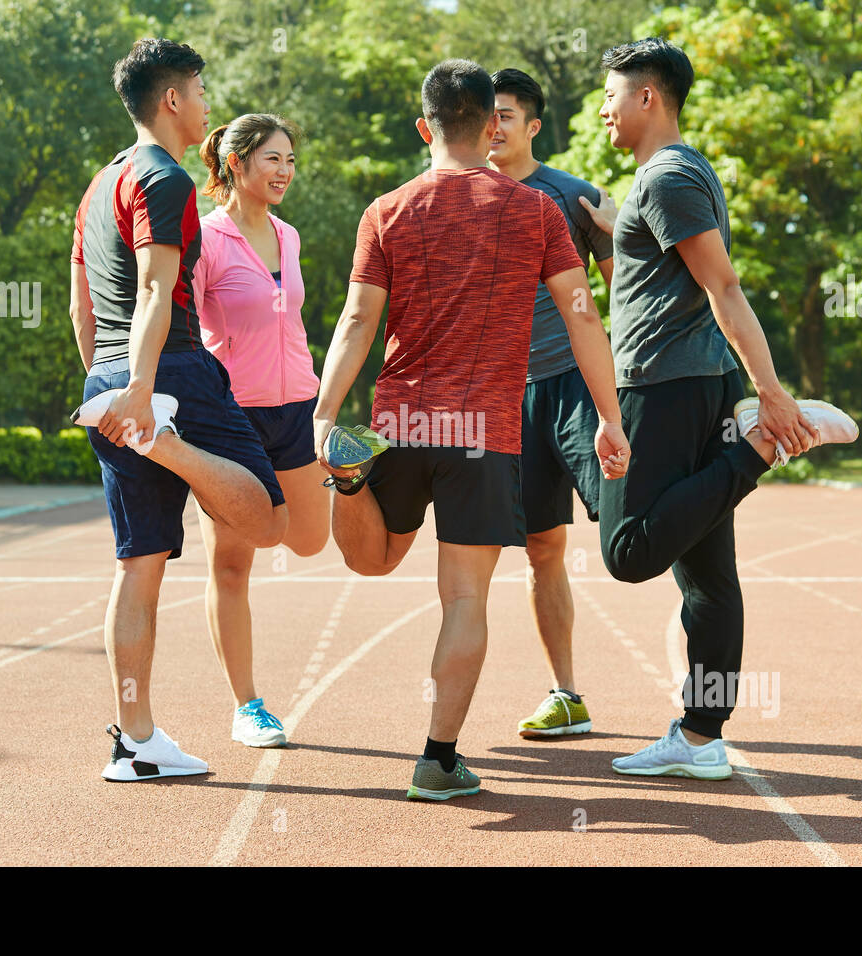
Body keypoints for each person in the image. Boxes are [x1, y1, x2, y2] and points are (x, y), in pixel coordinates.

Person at [311, 59, 630, 801]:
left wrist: (325, 413)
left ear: (424, 128)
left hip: (405, 416)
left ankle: (347, 475)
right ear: (492, 127)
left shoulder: (386, 210)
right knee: (464, 599)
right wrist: (610, 418)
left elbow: (358, 319)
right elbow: (584, 315)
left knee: (372, 561)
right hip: (483, 431)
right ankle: (438, 758)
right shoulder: (534, 211)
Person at [582, 37, 858, 779]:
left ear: (648, 97)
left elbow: (722, 287)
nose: (603, 109)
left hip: (664, 385)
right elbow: (671, 265)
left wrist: (772, 396)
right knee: (707, 581)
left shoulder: (668, 177)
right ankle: (703, 740)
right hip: (690, 383)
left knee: (629, 551)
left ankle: (759, 447)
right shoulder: (669, 176)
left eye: (611, 95)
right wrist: (617, 226)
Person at [68, 38, 288, 781]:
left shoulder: (100, 185)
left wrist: (104, 384)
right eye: (199, 91)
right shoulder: (164, 178)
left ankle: (135, 741)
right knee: (265, 517)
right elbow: (160, 291)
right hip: (170, 373)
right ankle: (165, 444)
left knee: (140, 562)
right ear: (172, 100)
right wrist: (140, 393)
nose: (205, 105)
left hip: (108, 382)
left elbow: (81, 305)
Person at [488, 68, 615, 740]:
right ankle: (567, 693)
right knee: (540, 547)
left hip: (574, 385)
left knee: (638, 518)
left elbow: (627, 290)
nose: (495, 126)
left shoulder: (573, 195)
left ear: (533, 125)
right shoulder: (461, 196)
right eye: (486, 114)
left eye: (507, 115)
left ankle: (699, 696)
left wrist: (621, 236)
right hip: (505, 396)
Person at [191, 114, 325, 748]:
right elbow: (181, 326)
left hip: (296, 404)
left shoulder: (289, 235)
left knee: (309, 540)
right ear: (237, 164)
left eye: (291, 160)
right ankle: (248, 705)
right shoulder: (207, 240)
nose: (285, 171)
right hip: (230, 417)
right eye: (273, 159)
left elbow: (292, 322)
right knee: (232, 566)